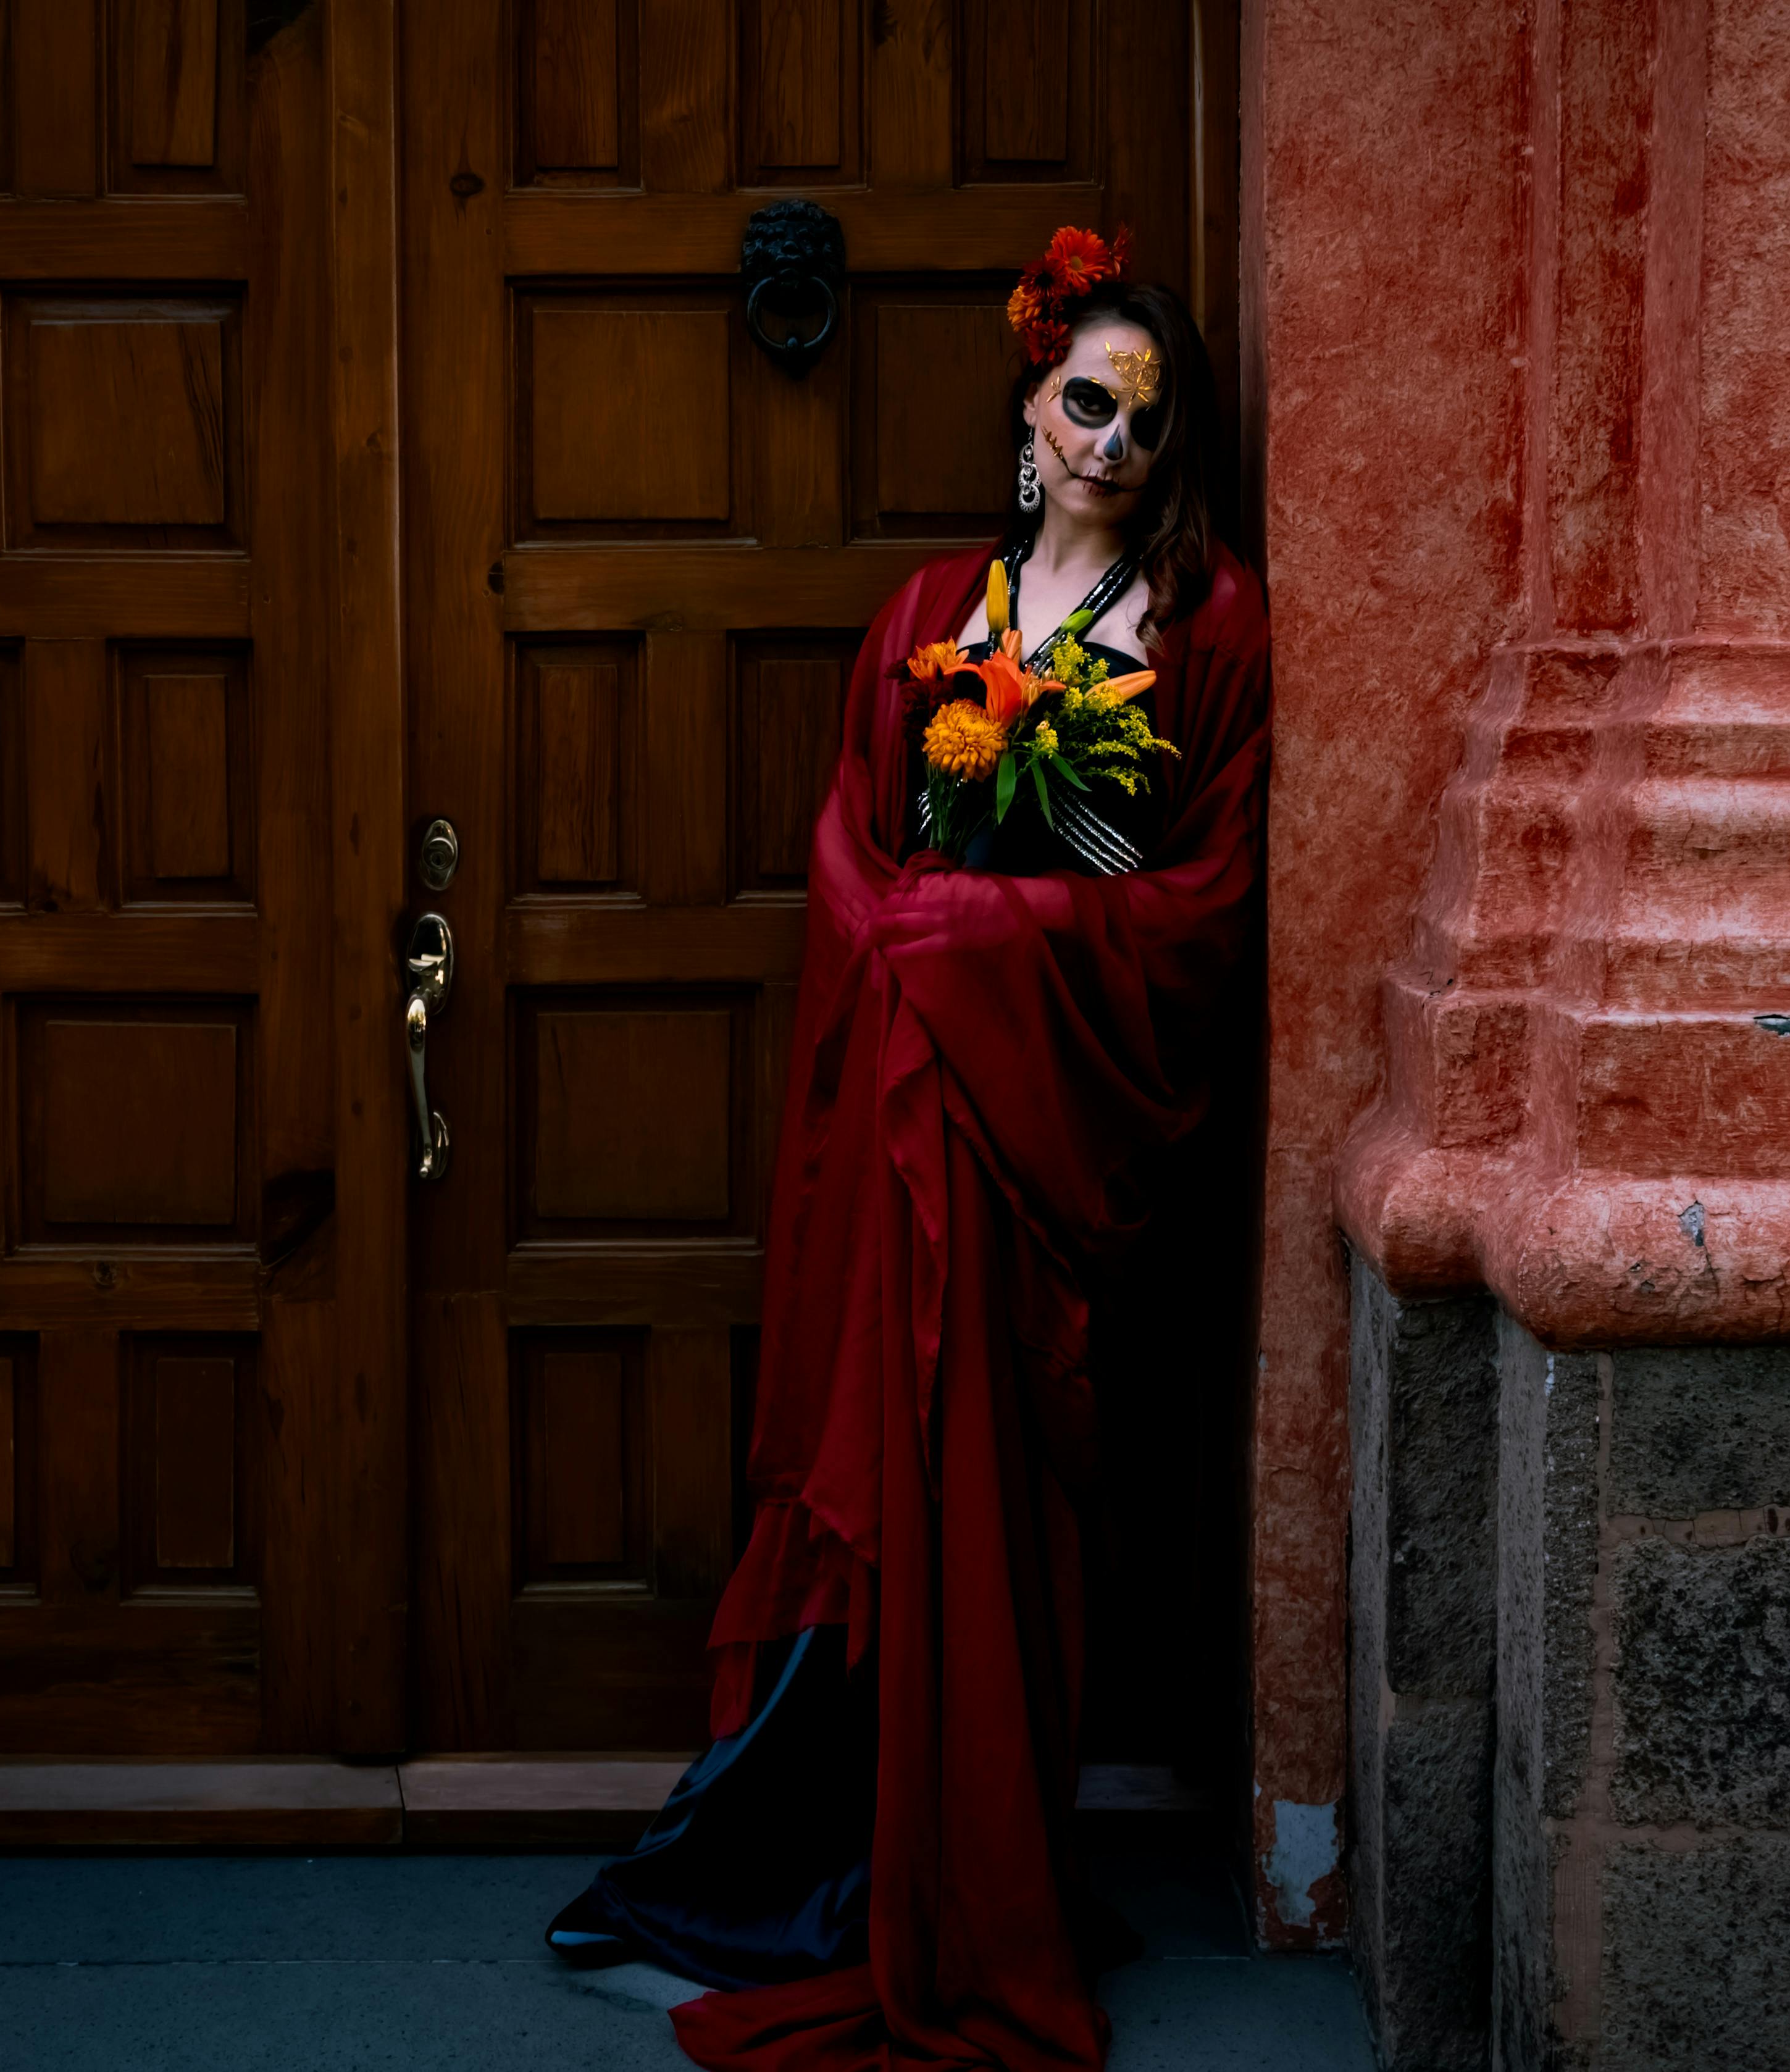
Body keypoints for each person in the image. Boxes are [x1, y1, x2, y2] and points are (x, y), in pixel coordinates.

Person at [546, 228, 1271, 2072]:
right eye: (1084, 400)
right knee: (885, 1490)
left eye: (1145, 415)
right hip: (907, 1138)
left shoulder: (1216, 627)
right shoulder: (935, 612)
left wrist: (994, 942)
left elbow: (1207, 904)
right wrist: (920, 938)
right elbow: (852, 856)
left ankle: (989, 1881)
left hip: (1050, 1147)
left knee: (1010, 1521)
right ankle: (832, 1870)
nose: (1111, 439)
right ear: (1031, 410)